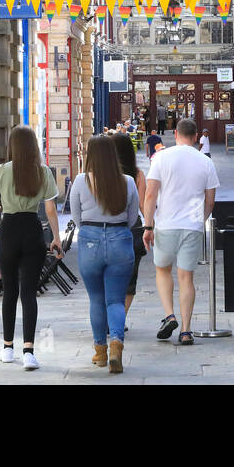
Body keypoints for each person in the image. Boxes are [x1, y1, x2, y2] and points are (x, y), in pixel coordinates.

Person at [0, 125, 63, 370]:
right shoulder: (43, 172)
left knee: (10, 291)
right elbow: (51, 210)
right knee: (29, 293)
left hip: (9, 230)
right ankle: (30, 351)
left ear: (12, 145)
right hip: (33, 231)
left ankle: (7, 348)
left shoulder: (1, 171)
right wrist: (56, 238)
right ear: (33, 145)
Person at [142, 117, 219, 346]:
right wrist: (200, 220)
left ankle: (170, 315)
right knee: (187, 278)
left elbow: (150, 194)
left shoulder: (161, 158)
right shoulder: (205, 161)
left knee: (162, 270)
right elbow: (210, 200)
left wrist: (148, 225)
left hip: (165, 224)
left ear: (175, 134)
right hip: (191, 226)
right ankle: (186, 330)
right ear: (196, 137)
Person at [70, 135, 139, 374]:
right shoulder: (128, 182)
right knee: (115, 300)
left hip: (90, 239)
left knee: (97, 299)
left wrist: (90, 231)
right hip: (120, 238)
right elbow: (133, 217)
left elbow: (75, 215)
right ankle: (117, 344)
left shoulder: (80, 181)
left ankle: (100, 351)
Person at [110, 132, 149, 321]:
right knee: (129, 281)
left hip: (109, 228)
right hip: (133, 229)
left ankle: (109, 318)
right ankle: (120, 319)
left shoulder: (104, 175)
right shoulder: (138, 174)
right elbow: (143, 204)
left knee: (108, 278)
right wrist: (150, 226)